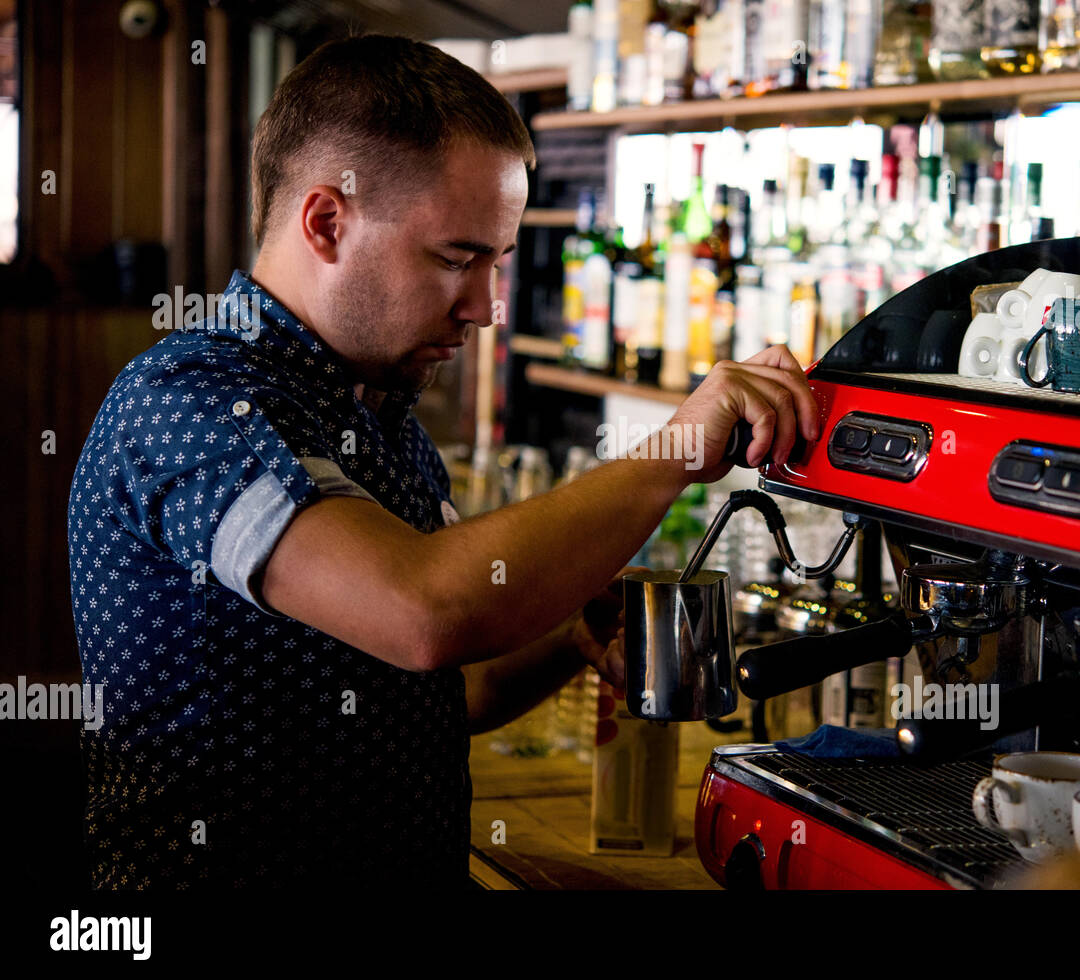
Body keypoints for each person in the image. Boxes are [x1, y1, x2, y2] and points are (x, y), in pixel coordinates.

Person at [67, 34, 820, 888]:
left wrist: (572, 634)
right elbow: (421, 614)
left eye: (496, 263)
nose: (486, 307)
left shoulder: (376, 417)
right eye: (457, 259)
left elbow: (434, 693)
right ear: (327, 221)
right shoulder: (189, 401)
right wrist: (679, 447)